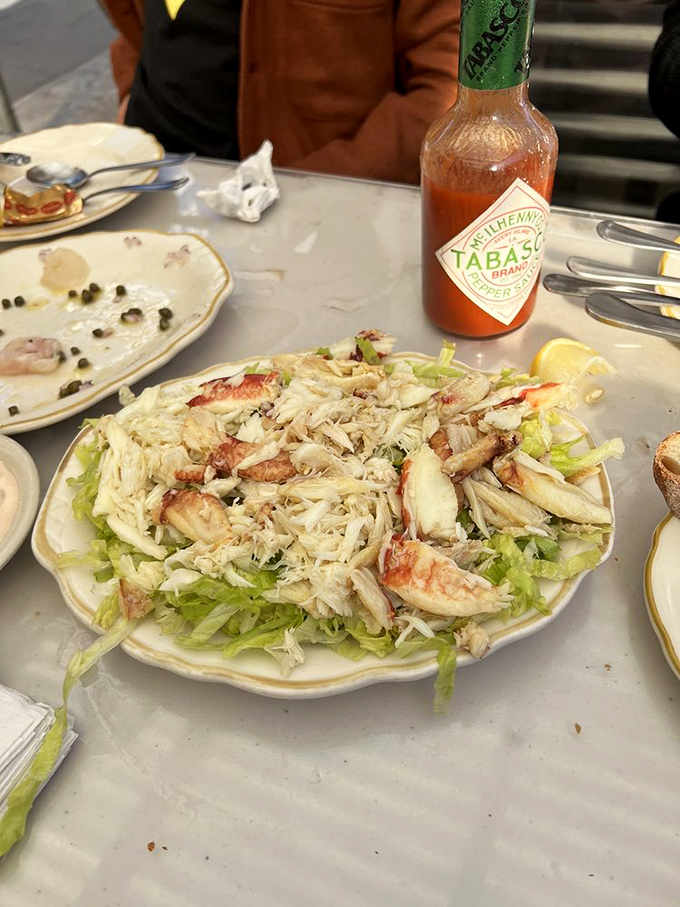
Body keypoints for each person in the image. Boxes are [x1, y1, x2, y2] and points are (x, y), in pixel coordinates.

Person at [100, 0, 460, 185]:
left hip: (312, 212)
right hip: (145, 177)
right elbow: (140, 22)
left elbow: (450, 95)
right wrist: (131, 93)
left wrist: (303, 191)